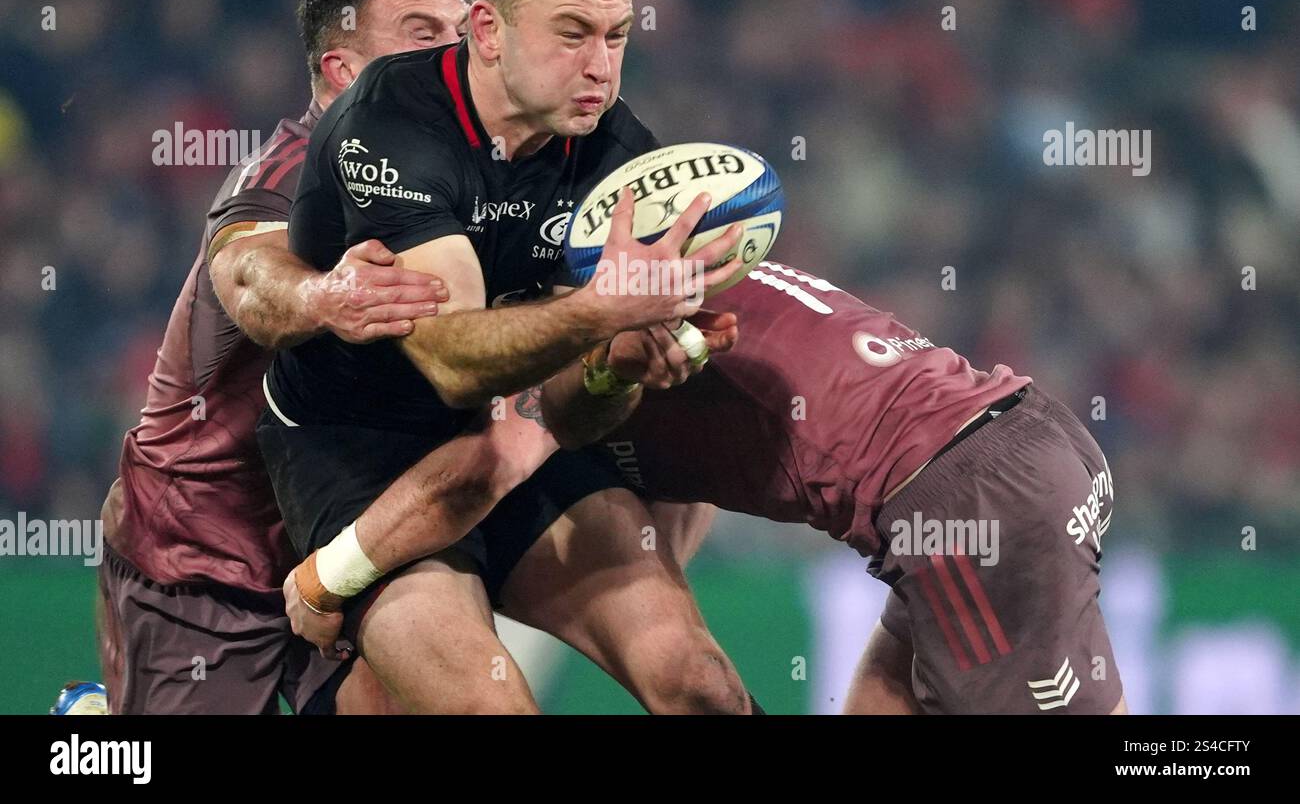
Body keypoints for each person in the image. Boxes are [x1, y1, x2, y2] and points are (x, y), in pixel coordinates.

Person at [260, 0, 758, 714]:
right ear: (487, 31)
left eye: (618, 37)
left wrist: (619, 364)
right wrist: (603, 314)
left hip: (510, 442)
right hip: (356, 453)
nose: (600, 65)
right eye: (572, 35)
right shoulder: (391, 121)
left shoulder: (620, 155)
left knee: (698, 683)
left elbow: (572, 411)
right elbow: (452, 362)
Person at [286, 260, 1126, 715]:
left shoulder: (597, 331)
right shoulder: (693, 279)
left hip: (962, 499)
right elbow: (698, 486)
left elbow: (473, 475)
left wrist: (327, 578)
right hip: (1018, 446)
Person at [97, 0, 468, 714]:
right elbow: (249, 276)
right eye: (424, 34)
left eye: (462, 35)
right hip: (205, 555)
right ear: (342, 72)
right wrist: (326, 295)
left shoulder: (449, 182)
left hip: (339, 535)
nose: (456, 56)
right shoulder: (289, 171)